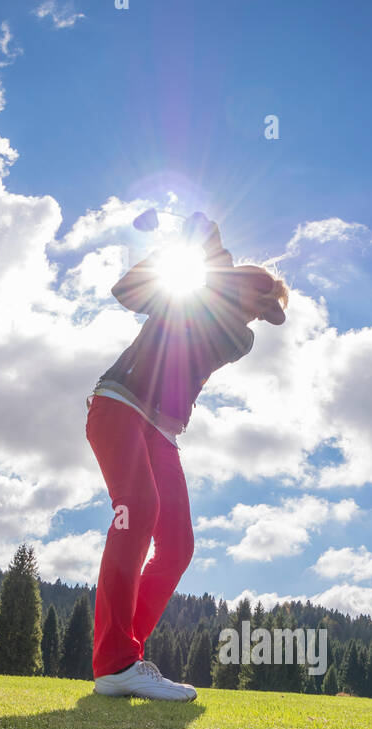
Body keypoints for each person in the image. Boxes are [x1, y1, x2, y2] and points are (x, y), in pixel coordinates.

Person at [86, 213, 288, 701]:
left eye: (261, 311)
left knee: (177, 547)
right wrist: (183, 251)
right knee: (138, 510)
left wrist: (204, 251)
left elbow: (206, 319)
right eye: (257, 303)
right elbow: (127, 291)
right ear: (238, 287)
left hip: (161, 430)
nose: (256, 316)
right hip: (118, 404)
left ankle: (124, 656)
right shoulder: (196, 299)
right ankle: (116, 663)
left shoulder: (236, 337)